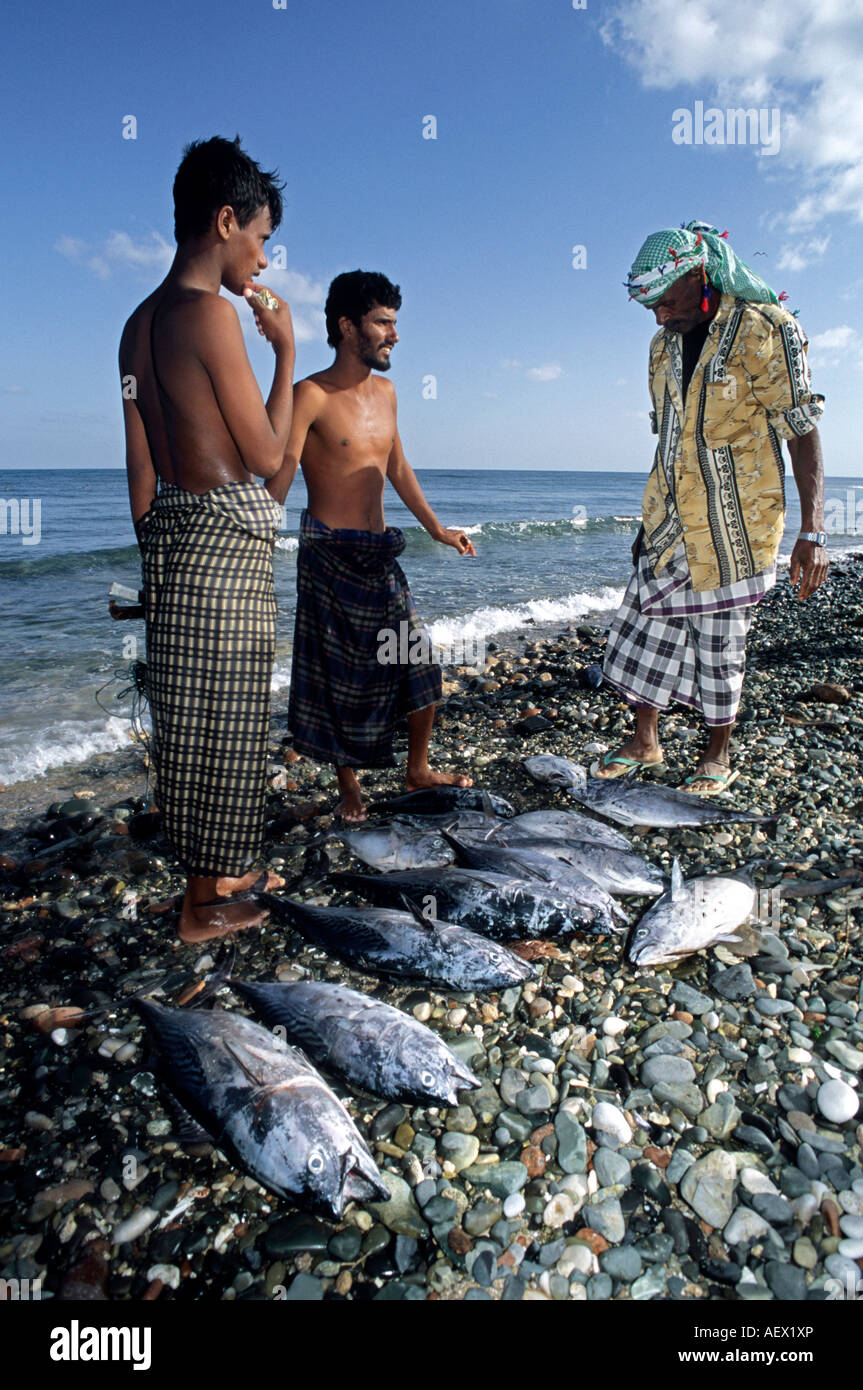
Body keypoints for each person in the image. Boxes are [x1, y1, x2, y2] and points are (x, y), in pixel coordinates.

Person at [118, 135, 296, 941]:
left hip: (171, 535)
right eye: (259, 239)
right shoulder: (212, 316)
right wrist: (287, 355)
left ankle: (211, 878)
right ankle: (203, 909)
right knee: (225, 718)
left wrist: (159, 552)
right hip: (222, 539)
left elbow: (140, 473)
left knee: (190, 718)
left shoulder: (135, 326)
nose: (260, 260)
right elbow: (264, 456)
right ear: (225, 220)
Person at [598, 220, 827, 792]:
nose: (658, 316)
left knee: (720, 641)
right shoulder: (661, 348)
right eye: (649, 306)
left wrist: (814, 529)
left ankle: (717, 751)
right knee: (642, 624)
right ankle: (645, 741)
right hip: (670, 521)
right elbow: (668, 437)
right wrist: (648, 521)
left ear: (699, 277)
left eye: (667, 302)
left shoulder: (766, 330)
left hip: (737, 524)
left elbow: (800, 429)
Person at [266, 270, 476, 822]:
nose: (395, 335)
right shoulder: (308, 395)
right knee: (340, 679)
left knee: (418, 661)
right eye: (383, 322)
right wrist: (253, 535)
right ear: (347, 326)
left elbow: (398, 466)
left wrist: (436, 529)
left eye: (394, 322)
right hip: (328, 557)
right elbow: (283, 470)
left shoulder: (386, 393)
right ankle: (349, 788)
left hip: (379, 555)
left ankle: (417, 767)